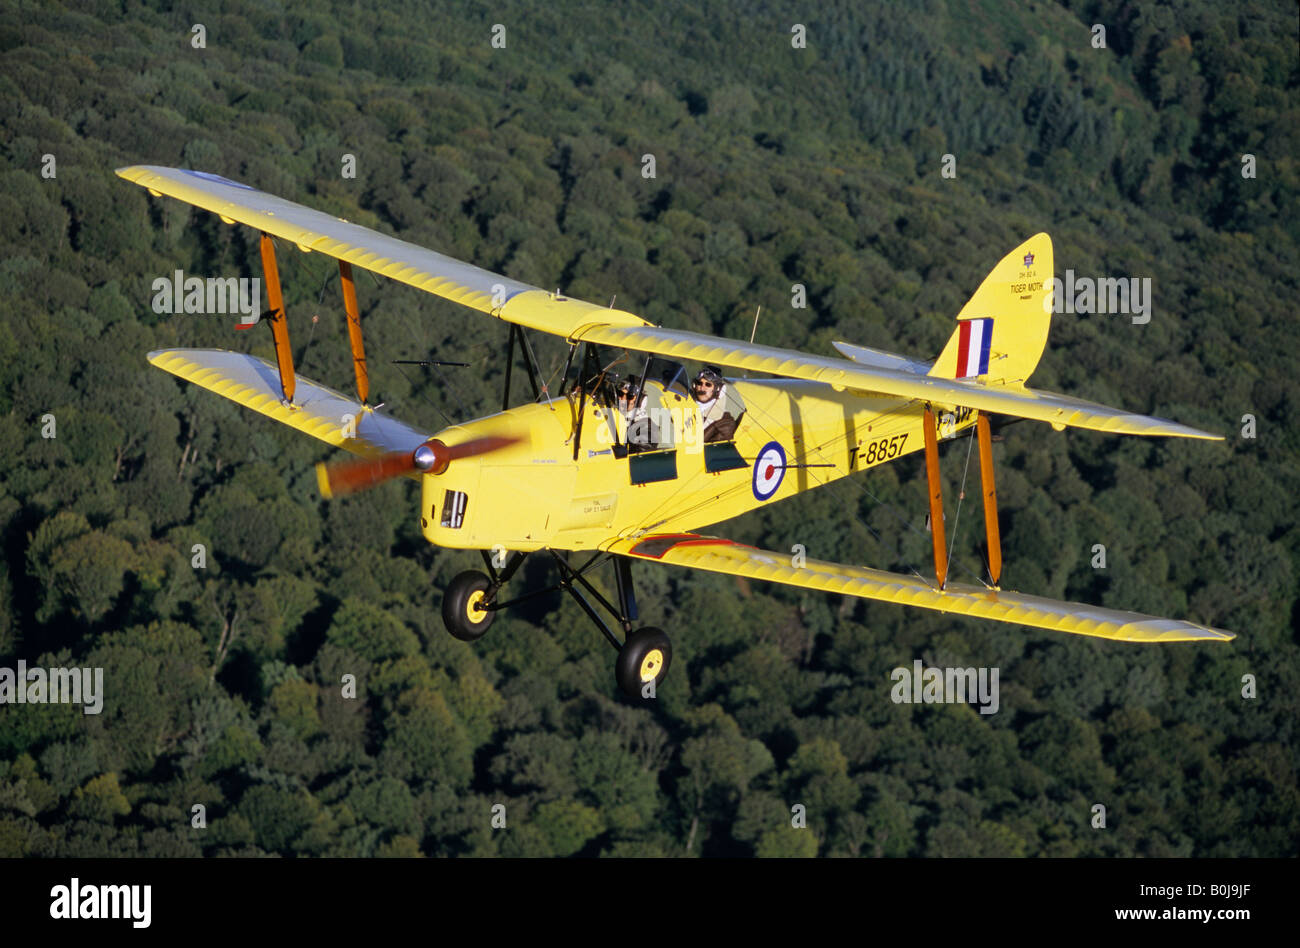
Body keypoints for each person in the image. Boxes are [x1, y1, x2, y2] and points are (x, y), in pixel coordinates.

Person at [691, 366, 739, 443]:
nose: (702, 388)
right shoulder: (685, 408)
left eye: (708, 385)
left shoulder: (725, 423)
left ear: (718, 389)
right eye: (699, 383)